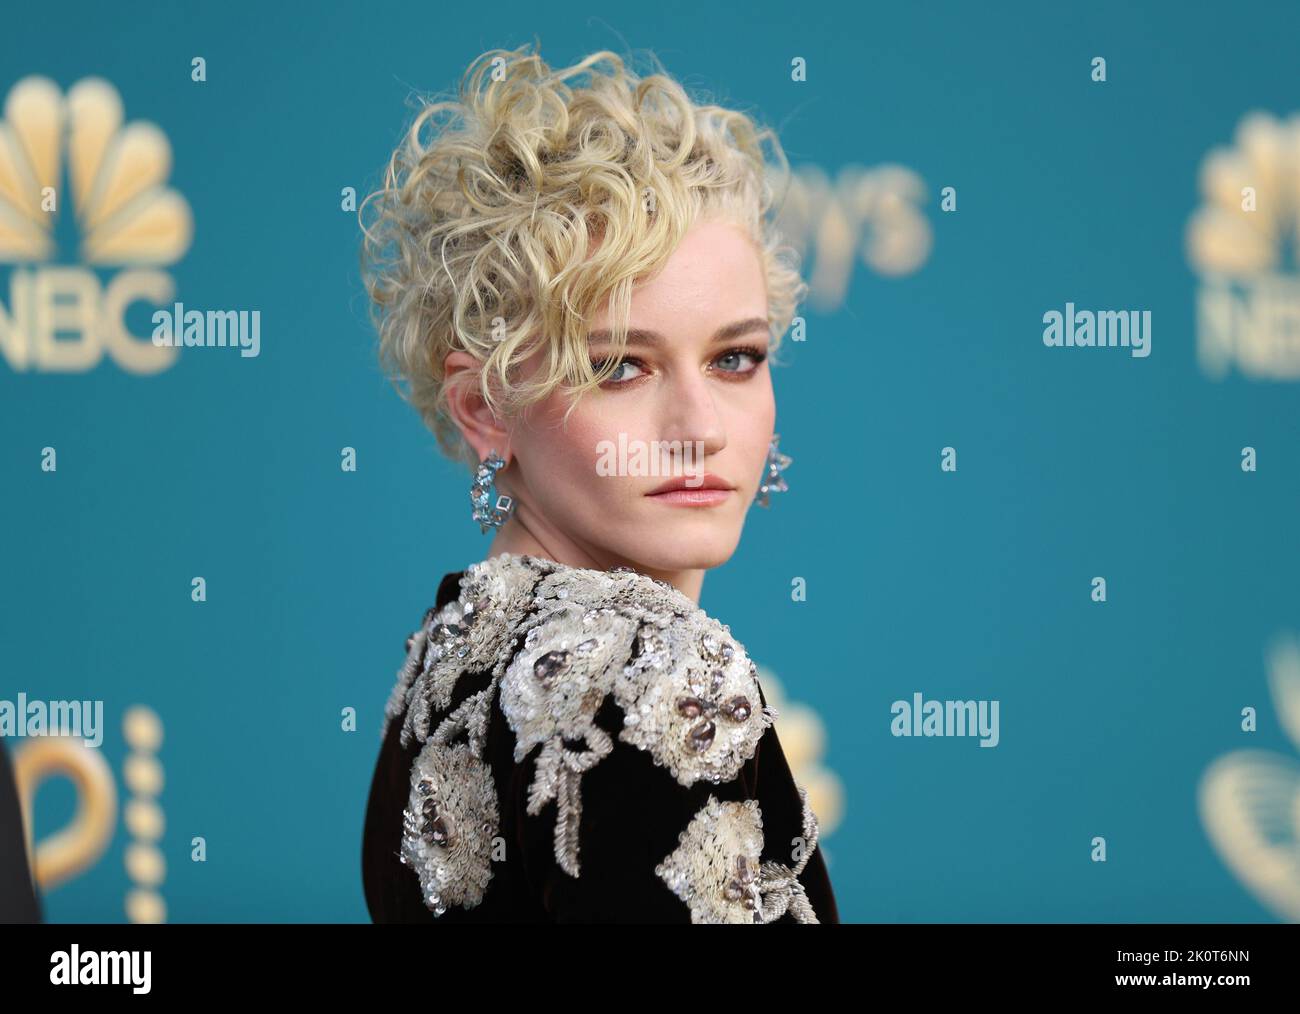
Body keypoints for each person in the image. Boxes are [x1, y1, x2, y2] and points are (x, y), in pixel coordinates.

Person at [359, 41, 838, 924]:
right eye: (620, 366)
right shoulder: (660, 673)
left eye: (736, 358)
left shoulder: (449, 652)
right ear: (483, 408)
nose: (700, 430)